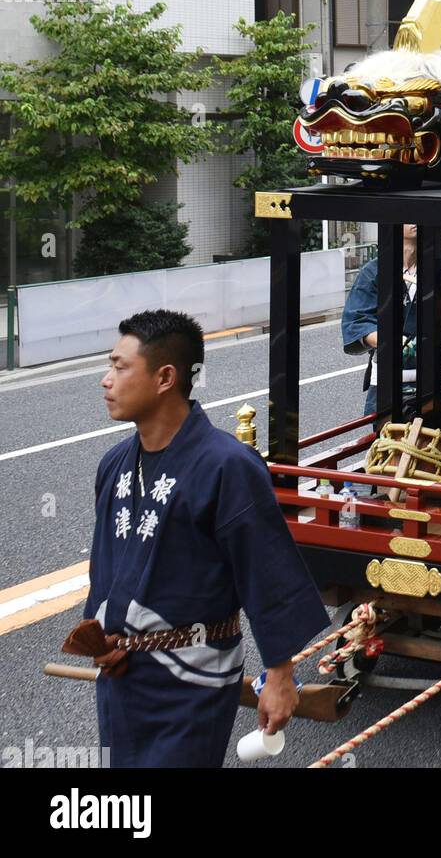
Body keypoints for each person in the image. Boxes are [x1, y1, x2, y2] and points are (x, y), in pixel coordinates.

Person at [65, 311, 330, 768]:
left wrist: (280, 675)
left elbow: (266, 573)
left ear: (165, 377)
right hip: (123, 672)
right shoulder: (114, 464)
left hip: (194, 675)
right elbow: (107, 568)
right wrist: (101, 633)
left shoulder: (227, 466)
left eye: (119, 366)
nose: (106, 380)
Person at [342, 224, 441, 417]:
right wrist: (390, 341)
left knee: (428, 438)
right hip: (386, 379)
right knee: (387, 440)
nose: (415, 221)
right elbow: (356, 321)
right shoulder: (375, 269)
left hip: (431, 374)